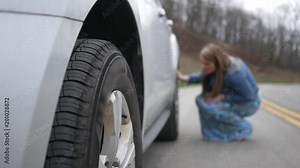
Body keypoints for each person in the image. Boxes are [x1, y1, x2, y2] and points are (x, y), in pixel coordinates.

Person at [177, 43, 261, 142]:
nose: (203, 67)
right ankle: (216, 131)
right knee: (201, 100)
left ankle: (243, 128)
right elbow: (203, 76)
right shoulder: (218, 66)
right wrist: (186, 78)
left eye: (207, 64)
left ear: (217, 62)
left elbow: (249, 96)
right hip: (238, 99)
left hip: (250, 103)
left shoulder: (234, 73)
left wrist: (223, 97)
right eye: (202, 63)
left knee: (212, 106)